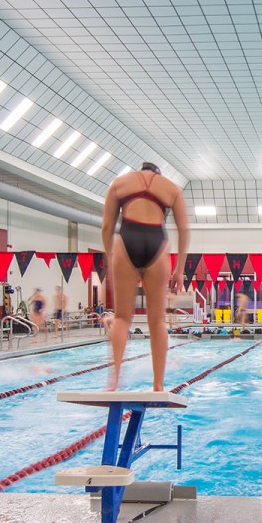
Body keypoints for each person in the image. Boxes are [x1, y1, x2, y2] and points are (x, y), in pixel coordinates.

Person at [100, 162, 190, 391]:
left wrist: (110, 256)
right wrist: (179, 269)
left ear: (141, 170)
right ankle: (158, 385)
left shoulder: (119, 183)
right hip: (157, 242)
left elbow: (107, 227)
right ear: (157, 173)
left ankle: (113, 382)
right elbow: (184, 229)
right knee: (157, 320)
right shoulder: (171, 188)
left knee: (122, 317)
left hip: (127, 239)